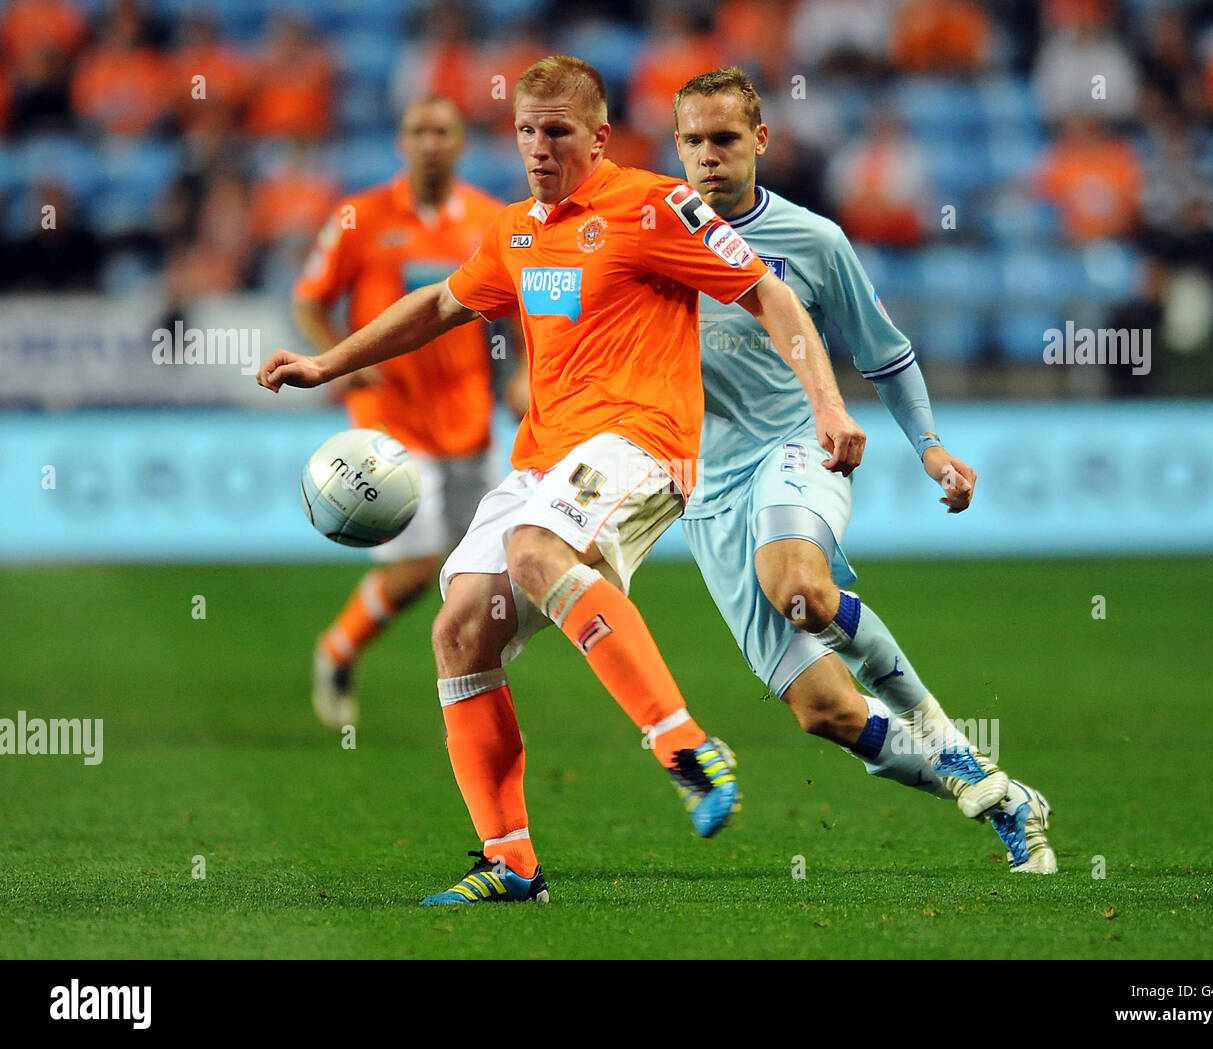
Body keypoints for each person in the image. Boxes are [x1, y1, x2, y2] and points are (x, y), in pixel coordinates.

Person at [257, 56, 867, 904]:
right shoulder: (515, 230)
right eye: (525, 131)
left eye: (557, 131)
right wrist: (329, 361)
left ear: (598, 135)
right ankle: (510, 861)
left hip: (645, 442)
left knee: (539, 549)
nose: (538, 147)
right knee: (459, 630)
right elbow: (439, 305)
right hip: (544, 457)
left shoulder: (658, 204)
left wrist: (829, 406)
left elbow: (769, 295)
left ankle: (685, 745)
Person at [673, 67, 1055, 873]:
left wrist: (930, 447)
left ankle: (950, 744)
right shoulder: (653, 240)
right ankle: (993, 791)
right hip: (704, 489)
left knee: (802, 590)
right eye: (692, 141)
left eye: (725, 139)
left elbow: (886, 355)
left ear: (761, 141)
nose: (708, 156)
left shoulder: (813, 240)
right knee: (826, 713)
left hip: (797, 446)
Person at [293, 96, 525, 729]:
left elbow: (533, 301)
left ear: (460, 143)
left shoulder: (489, 219)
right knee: (419, 565)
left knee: (477, 562)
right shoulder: (360, 218)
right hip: (390, 416)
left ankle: (470, 677)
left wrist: (525, 373)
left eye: (442, 131)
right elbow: (311, 299)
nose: (429, 141)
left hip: (467, 414)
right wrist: (341, 360)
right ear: (401, 140)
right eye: (418, 130)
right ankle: (339, 649)